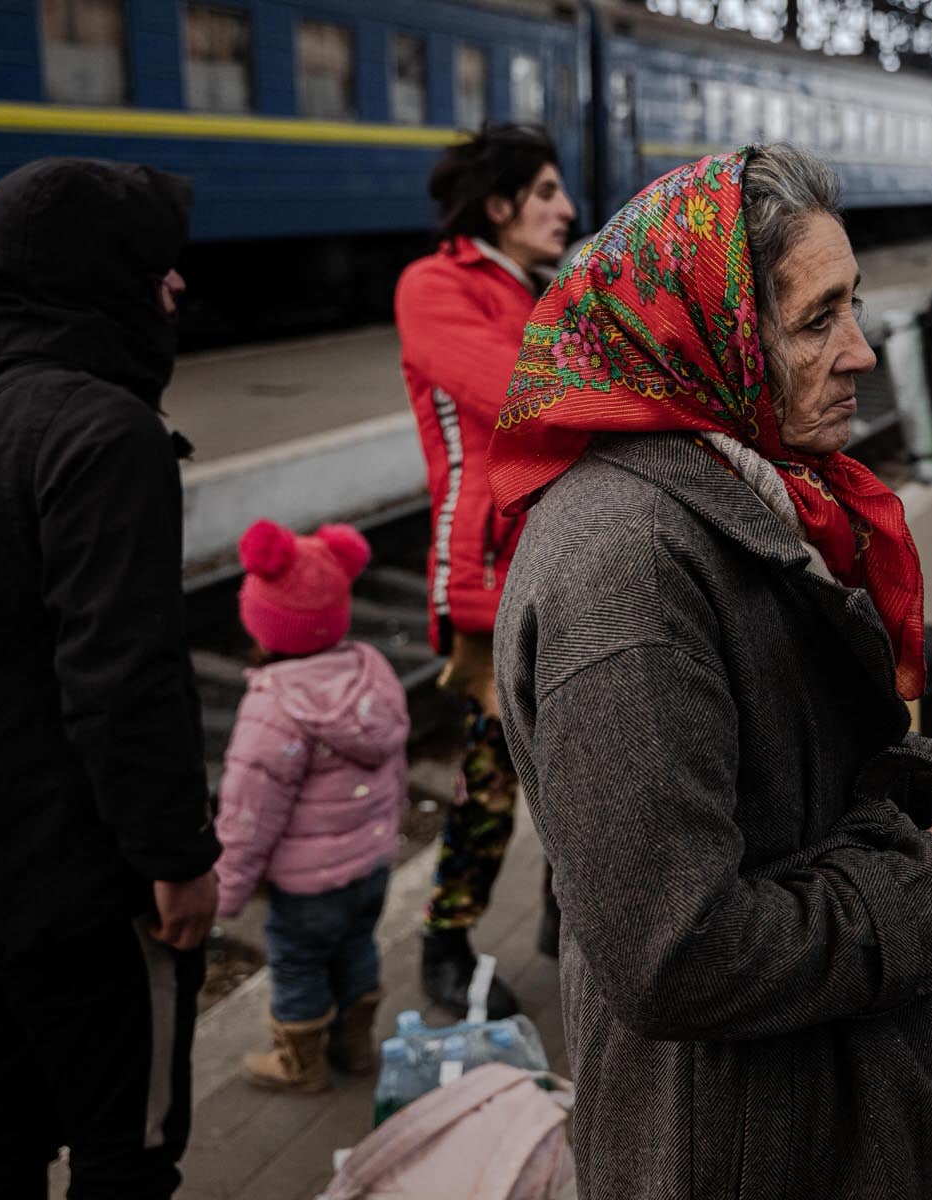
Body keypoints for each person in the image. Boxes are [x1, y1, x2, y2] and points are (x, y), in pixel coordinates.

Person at [489, 144, 932, 1199]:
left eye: (853, 305)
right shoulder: (628, 574)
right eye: (815, 320)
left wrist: (919, 776)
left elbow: (761, 751)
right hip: (742, 1143)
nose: (861, 352)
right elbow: (676, 954)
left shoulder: (736, 484)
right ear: (709, 335)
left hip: (804, 1109)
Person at [0, 159, 220, 1198]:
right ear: (97, 276)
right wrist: (176, 857)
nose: (175, 285)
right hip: (87, 888)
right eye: (156, 265)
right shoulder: (108, 434)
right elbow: (123, 677)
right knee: (130, 1152)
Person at [394, 123, 576, 1018]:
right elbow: (529, 397)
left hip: (562, 556)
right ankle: (445, 938)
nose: (566, 209)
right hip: (489, 574)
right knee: (493, 774)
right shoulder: (434, 287)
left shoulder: (540, 288)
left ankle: (565, 918)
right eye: (545, 192)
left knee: (582, 752)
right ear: (498, 205)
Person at [214, 520, 410, 1093]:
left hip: (307, 889)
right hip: (371, 866)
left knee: (298, 965)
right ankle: (355, 1047)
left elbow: (249, 815)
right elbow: (394, 771)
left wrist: (227, 890)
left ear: (263, 624)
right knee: (356, 948)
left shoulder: (275, 708)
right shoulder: (372, 671)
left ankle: (302, 1067)